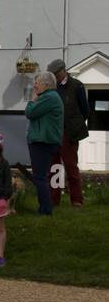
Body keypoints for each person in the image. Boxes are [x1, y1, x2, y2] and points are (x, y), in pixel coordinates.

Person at [49, 60, 89, 208]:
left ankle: (77, 200)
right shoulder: (52, 87)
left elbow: (85, 110)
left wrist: (73, 126)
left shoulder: (77, 85)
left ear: (63, 71)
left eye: (56, 74)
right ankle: (54, 200)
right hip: (54, 132)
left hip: (69, 133)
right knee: (54, 167)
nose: (55, 77)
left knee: (71, 167)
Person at [25, 71, 64, 217]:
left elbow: (30, 112)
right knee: (41, 176)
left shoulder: (48, 97)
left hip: (42, 141)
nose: (35, 85)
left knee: (39, 177)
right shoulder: (51, 97)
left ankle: (46, 210)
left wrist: (32, 100)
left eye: (37, 82)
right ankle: (45, 207)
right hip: (45, 141)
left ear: (46, 84)